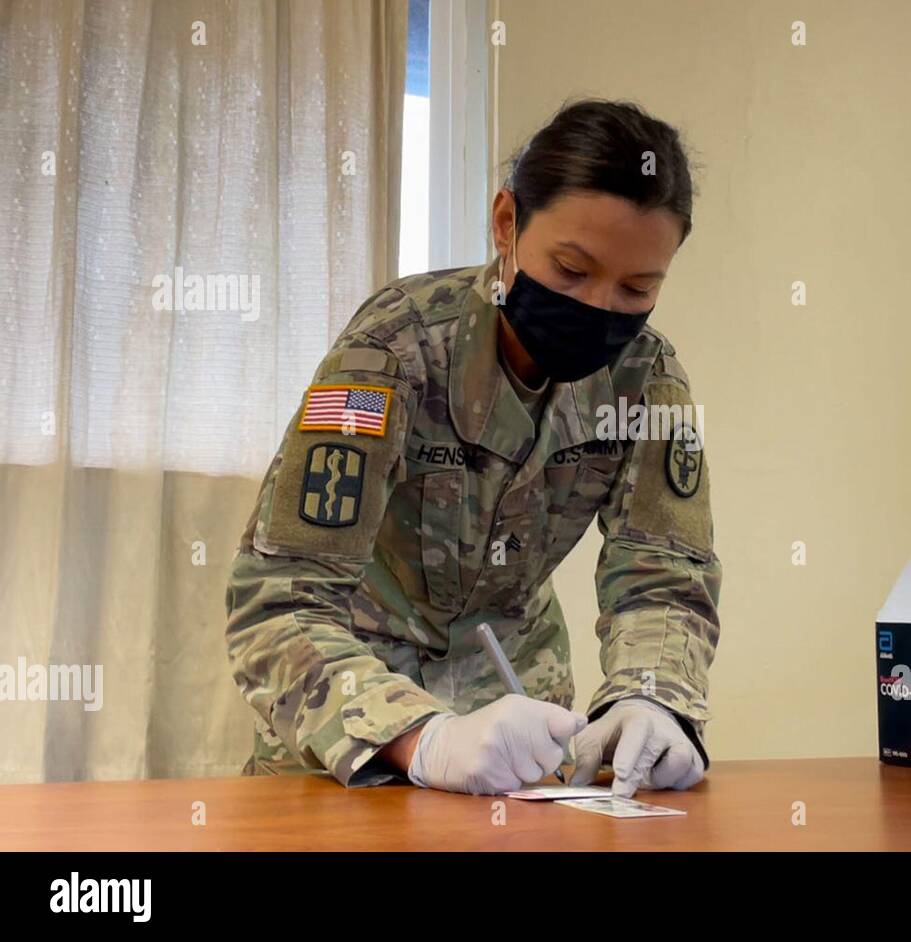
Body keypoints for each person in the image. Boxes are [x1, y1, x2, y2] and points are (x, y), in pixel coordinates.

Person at [225, 98, 721, 797]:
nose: (601, 308)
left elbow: (665, 578)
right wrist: (422, 738)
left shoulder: (648, 381)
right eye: (573, 271)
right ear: (506, 223)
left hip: (529, 734)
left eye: (638, 287)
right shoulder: (392, 353)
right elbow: (277, 602)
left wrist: (652, 698)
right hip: (351, 733)